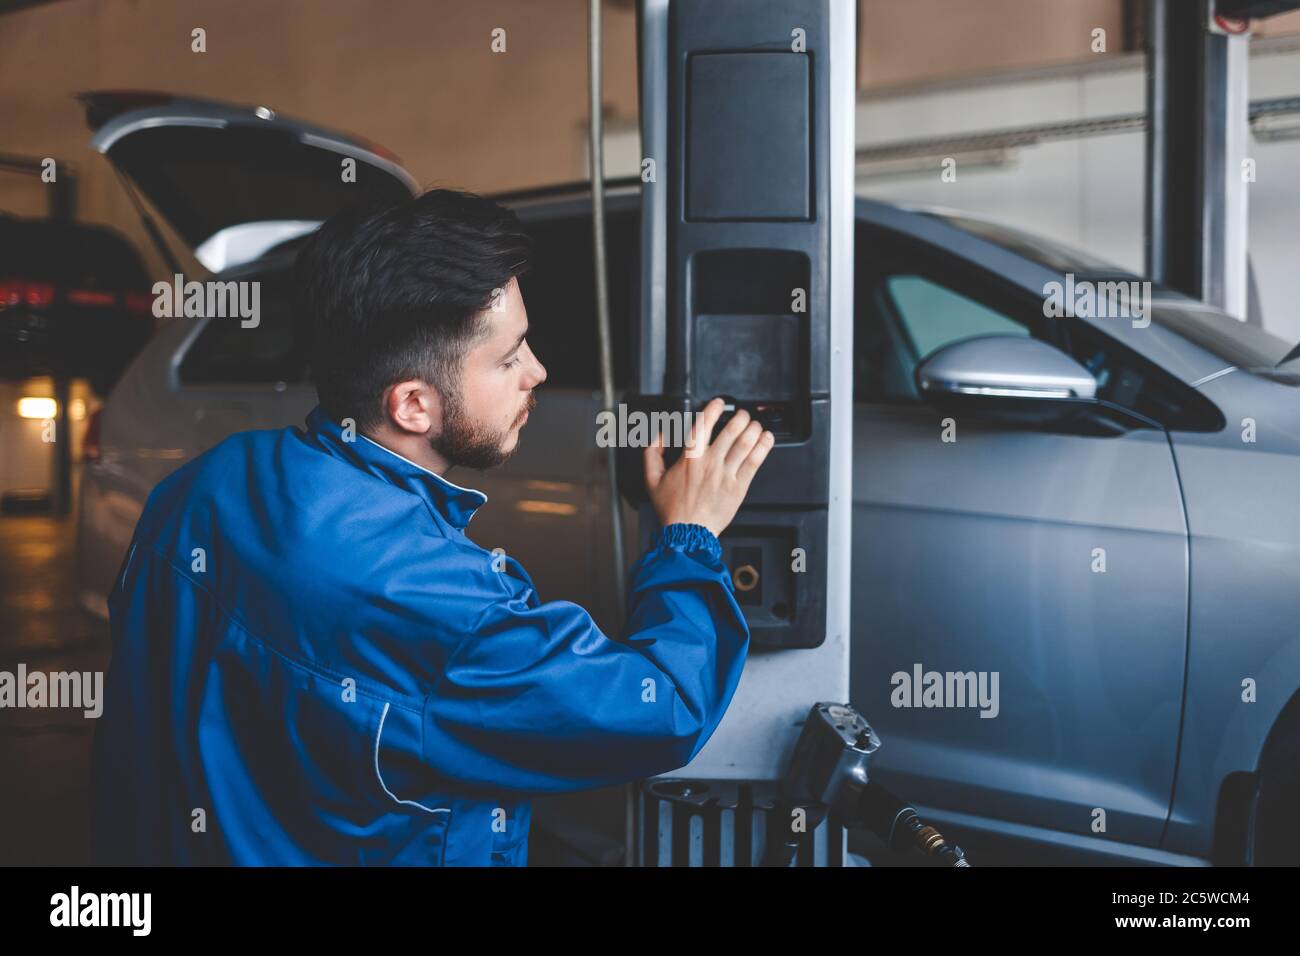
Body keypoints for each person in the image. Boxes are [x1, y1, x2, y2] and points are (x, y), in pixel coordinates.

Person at [90, 187, 774, 866]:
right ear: (413, 405)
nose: (537, 371)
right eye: (509, 358)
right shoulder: (448, 608)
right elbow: (664, 710)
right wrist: (689, 535)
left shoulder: (198, 489)